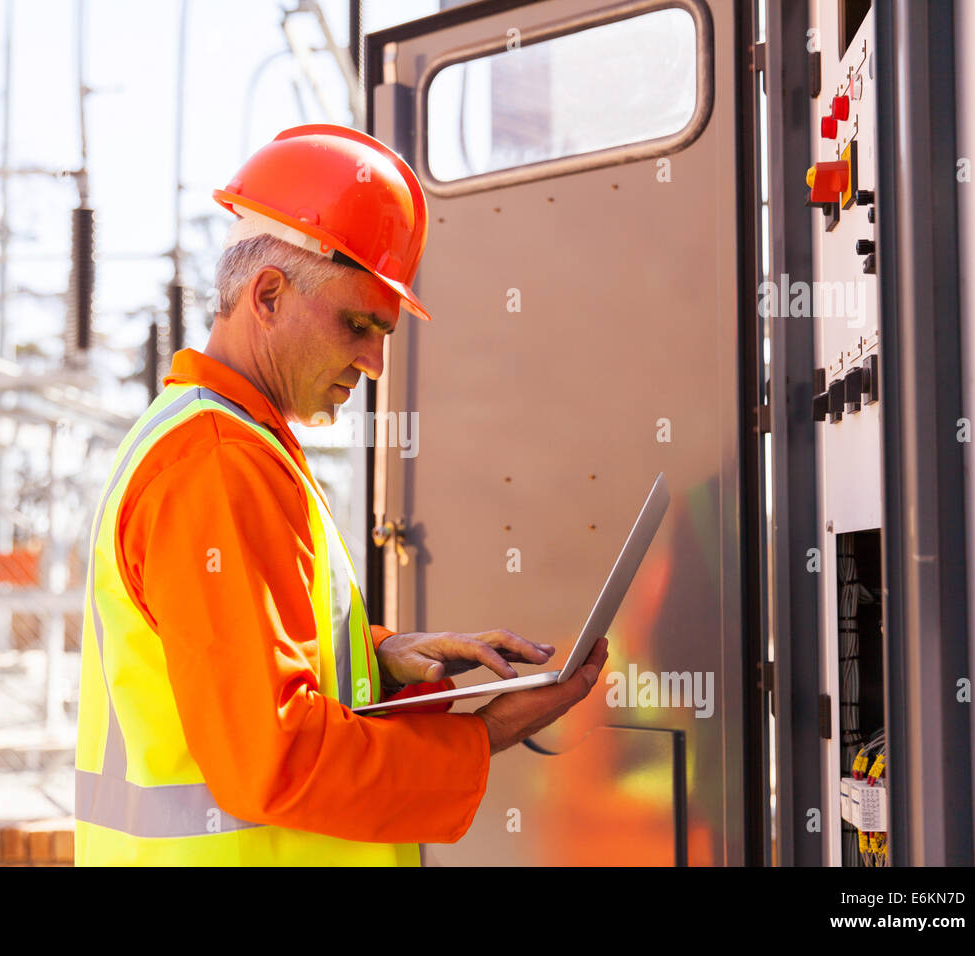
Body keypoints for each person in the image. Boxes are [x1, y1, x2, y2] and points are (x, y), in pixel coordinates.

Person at [74, 124, 609, 866]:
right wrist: (489, 731)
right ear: (267, 295)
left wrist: (387, 658)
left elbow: (257, 668)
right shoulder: (217, 464)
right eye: (358, 324)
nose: (375, 362)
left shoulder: (236, 445)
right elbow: (274, 758)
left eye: (384, 331)